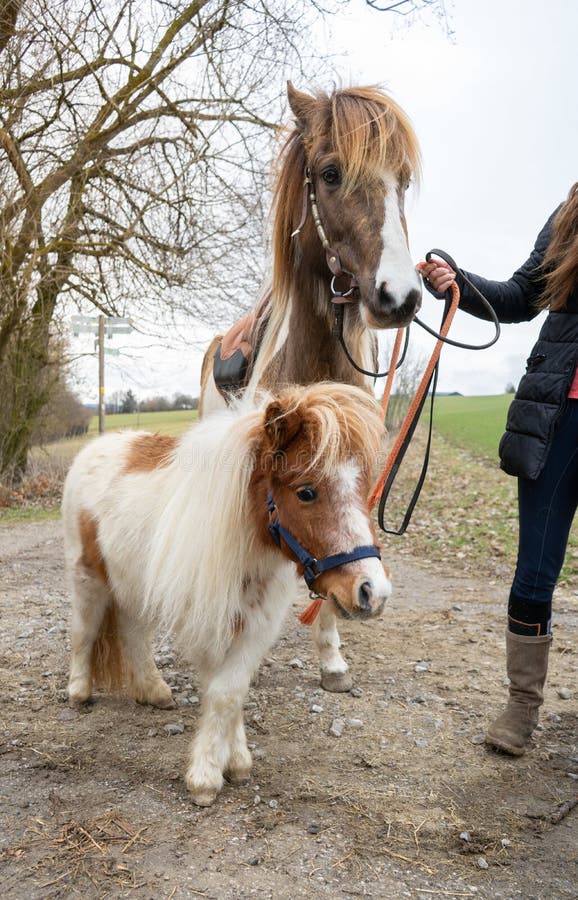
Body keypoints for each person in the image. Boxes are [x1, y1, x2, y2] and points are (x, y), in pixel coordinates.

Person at [421, 182, 578, 756]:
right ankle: (522, 704)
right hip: (558, 418)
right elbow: (520, 297)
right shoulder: (570, 213)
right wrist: (458, 283)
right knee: (534, 571)